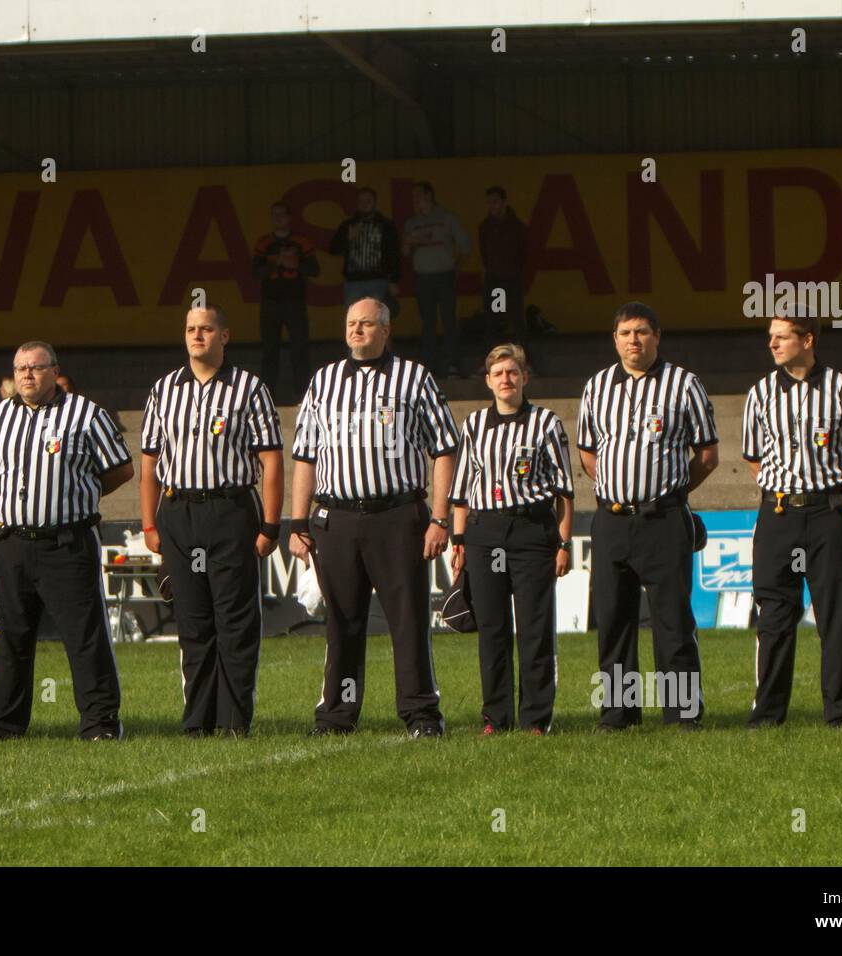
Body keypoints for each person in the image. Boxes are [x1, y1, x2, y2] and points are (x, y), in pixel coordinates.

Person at [289, 297, 458, 737]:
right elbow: (305, 456)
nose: (357, 331)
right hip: (338, 517)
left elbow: (443, 449)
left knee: (408, 619)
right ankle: (337, 714)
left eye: (366, 323)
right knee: (341, 621)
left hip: (398, 515)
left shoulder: (414, 377)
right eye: (350, 323)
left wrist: (439, 519)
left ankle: (421, 713)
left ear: (386, 329)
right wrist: (297, 523)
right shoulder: (323, 381)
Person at [0, 341, 133, 740]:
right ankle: (3, 727)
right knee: (11, 640)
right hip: (11, 544)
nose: (26, 375)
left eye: (35, 368)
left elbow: (121, 470)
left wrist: (77, 493)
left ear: (55, 371)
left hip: (67, 542)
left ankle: (100, 724)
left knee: (85, 637)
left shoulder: (86, 415)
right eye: (20, 368)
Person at [140, 306, 284, 737]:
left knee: (235, 621)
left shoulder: (250, 389)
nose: (197, 336)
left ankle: (235, 721)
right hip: (179, 513)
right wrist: (150, 524)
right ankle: (197, 722)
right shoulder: (163, 390)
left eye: (205, 329)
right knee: (193, 621)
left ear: (225, 335)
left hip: (230, 511)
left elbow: (272, 461)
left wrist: (271, 526)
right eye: (190, 329)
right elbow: (149, 463)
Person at [577, 302, 718, 731]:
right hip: (612, 521)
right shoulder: (597, 385)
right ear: (614, 339)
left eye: (641, 332)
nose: (633, 340)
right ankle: (619, 713)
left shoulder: (684, 384)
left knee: (672, 620)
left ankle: (681, 713)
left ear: (657, 336)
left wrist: (667, 492)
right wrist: (620, 490)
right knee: (614, 619)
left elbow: (708, 455)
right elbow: (587, 453)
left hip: (663, 520)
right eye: (624, 333)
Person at [742, 313, 842, 728]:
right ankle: (768, 714)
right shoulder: (760, 393)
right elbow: (754, 460)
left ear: (808, 339)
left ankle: (841, 712)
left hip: (827, 514)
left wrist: (827, 498)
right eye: (770, 337)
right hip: (778, 514)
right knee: (775, 616)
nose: (773, 344)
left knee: (834, 617)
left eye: (781, 337)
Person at [449, 344, 573, 735]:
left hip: (531, 531)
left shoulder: (547, 424)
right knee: (492, 629)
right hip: (484, 533)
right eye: (498, 373)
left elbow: (564, 491)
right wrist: (458, 541)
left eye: (512, 372)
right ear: (488, 381)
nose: (506, 379)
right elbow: (462, 490)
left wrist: (563, 543)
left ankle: (536, 719)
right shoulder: (472, 425)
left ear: (524, 377)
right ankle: (495, 718)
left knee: (535, 629)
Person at [403, 181, 470, 378]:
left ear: (429, 196)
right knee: (427, 323)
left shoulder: (447, 219)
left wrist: (455, 267)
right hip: (422, 277)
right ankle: (429, 367)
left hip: (445, 275)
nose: (415, 201)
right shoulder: (411, 223)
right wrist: (410, 241)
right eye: (413, 197)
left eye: (419, 196)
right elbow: (405, 252)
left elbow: (466, 246)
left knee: (449, 320)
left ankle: (452, 365)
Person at [252, 202, 319, 396]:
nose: (279, 218)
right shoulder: (264, 243)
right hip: (270, 302)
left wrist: (295, 264)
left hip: (295, 302)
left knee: (299, 349)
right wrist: (277, 263)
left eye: (282, 214)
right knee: (269, 351)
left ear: (290, 218)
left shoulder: (301, 241)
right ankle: (267, 396)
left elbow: (315, 270)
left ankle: (303, 396)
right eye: (275, 215)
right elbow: (255, 273)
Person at [329, 187, 400, 310]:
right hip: (353, 281)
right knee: (355, 322)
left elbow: (394, 253)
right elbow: (333, 249)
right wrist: (348, 238)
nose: (365, 204)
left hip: (378, 280)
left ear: (375, 203)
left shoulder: (386, 225)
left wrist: (394, 280)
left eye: (368, 201)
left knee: (376, 321)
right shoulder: (348, 225)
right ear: (357, 203)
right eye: (361, 201)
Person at [478, 186, 528, 350]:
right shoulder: (485, 227)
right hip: (495, 282)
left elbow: (524, 254)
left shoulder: (516, 226)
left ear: (504, 203)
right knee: (496, 318)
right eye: (489, 203)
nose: (492, 206)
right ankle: (494, 356)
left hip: (512, 280)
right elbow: (484, 254)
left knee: (516, 319)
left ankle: (523, 358)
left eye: (495, 202)